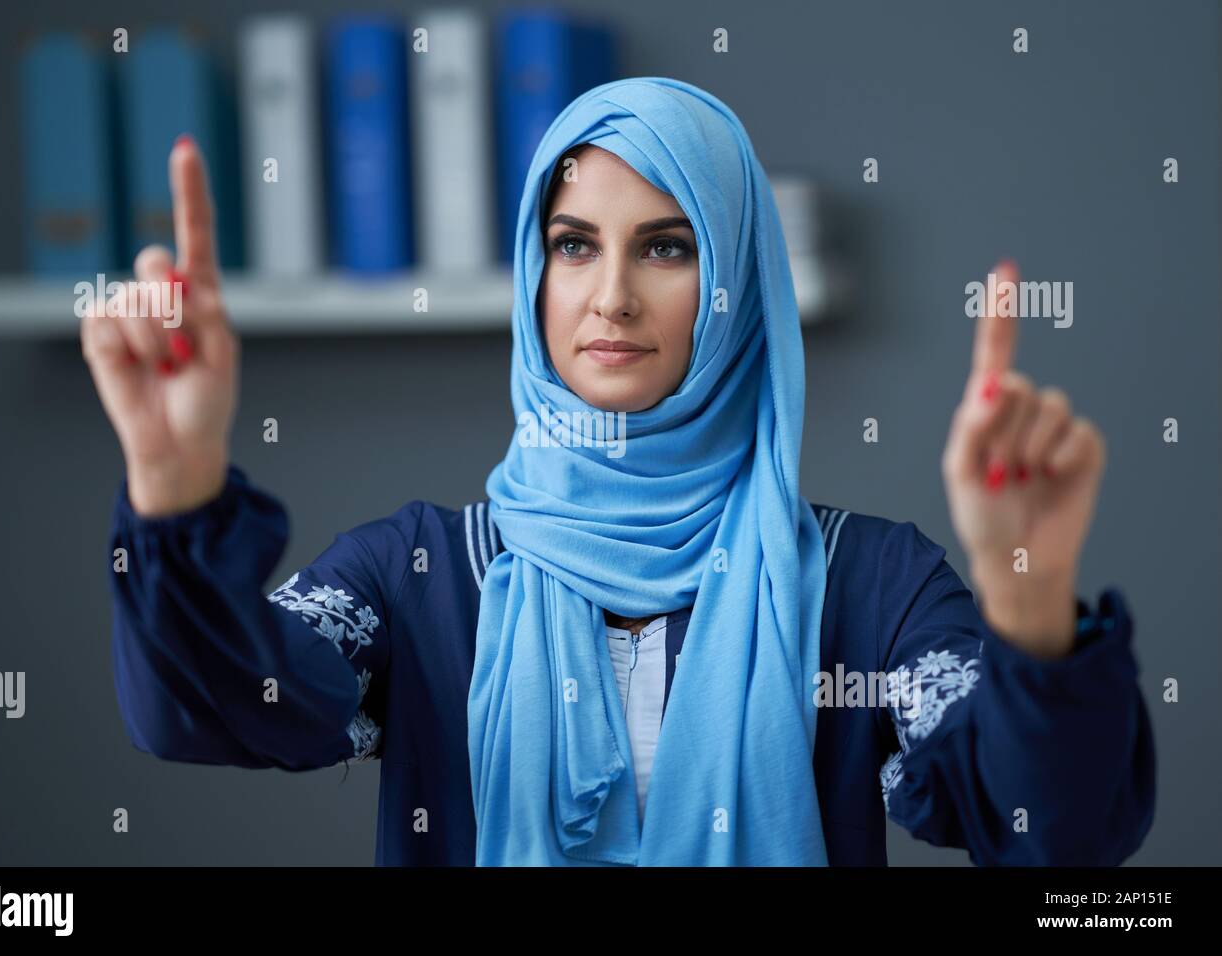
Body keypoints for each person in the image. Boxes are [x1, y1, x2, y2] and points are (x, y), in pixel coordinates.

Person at [81, 77, 1154, 866]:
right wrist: (174, 496)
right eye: (573, 242)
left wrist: (1030, 610)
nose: (611, 297)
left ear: (737, 280)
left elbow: (1048, 829)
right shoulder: (418, 576)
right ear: (532, 272)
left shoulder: (866, 585)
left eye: (668, 246)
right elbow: (210, 709)